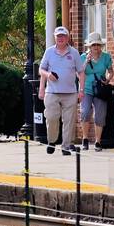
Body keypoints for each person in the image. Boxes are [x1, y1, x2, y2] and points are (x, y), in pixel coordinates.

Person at [39, 26, 84, 156]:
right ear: (55, 38)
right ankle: (52, 141)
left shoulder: (74, 53)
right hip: (52, 92)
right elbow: (41, 70)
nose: (60, 38)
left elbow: (81, 73)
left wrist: (81, 90)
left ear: (67, 38)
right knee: (52, 118)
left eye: (63, 36)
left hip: (70, 92)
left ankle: (65, 146)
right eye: (58, 36)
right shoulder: (49, 52)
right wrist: (47, 76)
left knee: (69, 120)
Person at [79, 32, 113, 151]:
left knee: (100, 114)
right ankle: (85, 139)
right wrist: (86, 62)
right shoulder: (83, 57)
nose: (96, 47)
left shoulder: (106, 57)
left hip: (100, 89)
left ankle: (98, 142)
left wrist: (108, 79)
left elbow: (110, 71)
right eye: (94, 45)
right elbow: (80, 72)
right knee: (85, 112)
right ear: (89, 47)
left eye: (98, 45)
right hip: (87, 88)